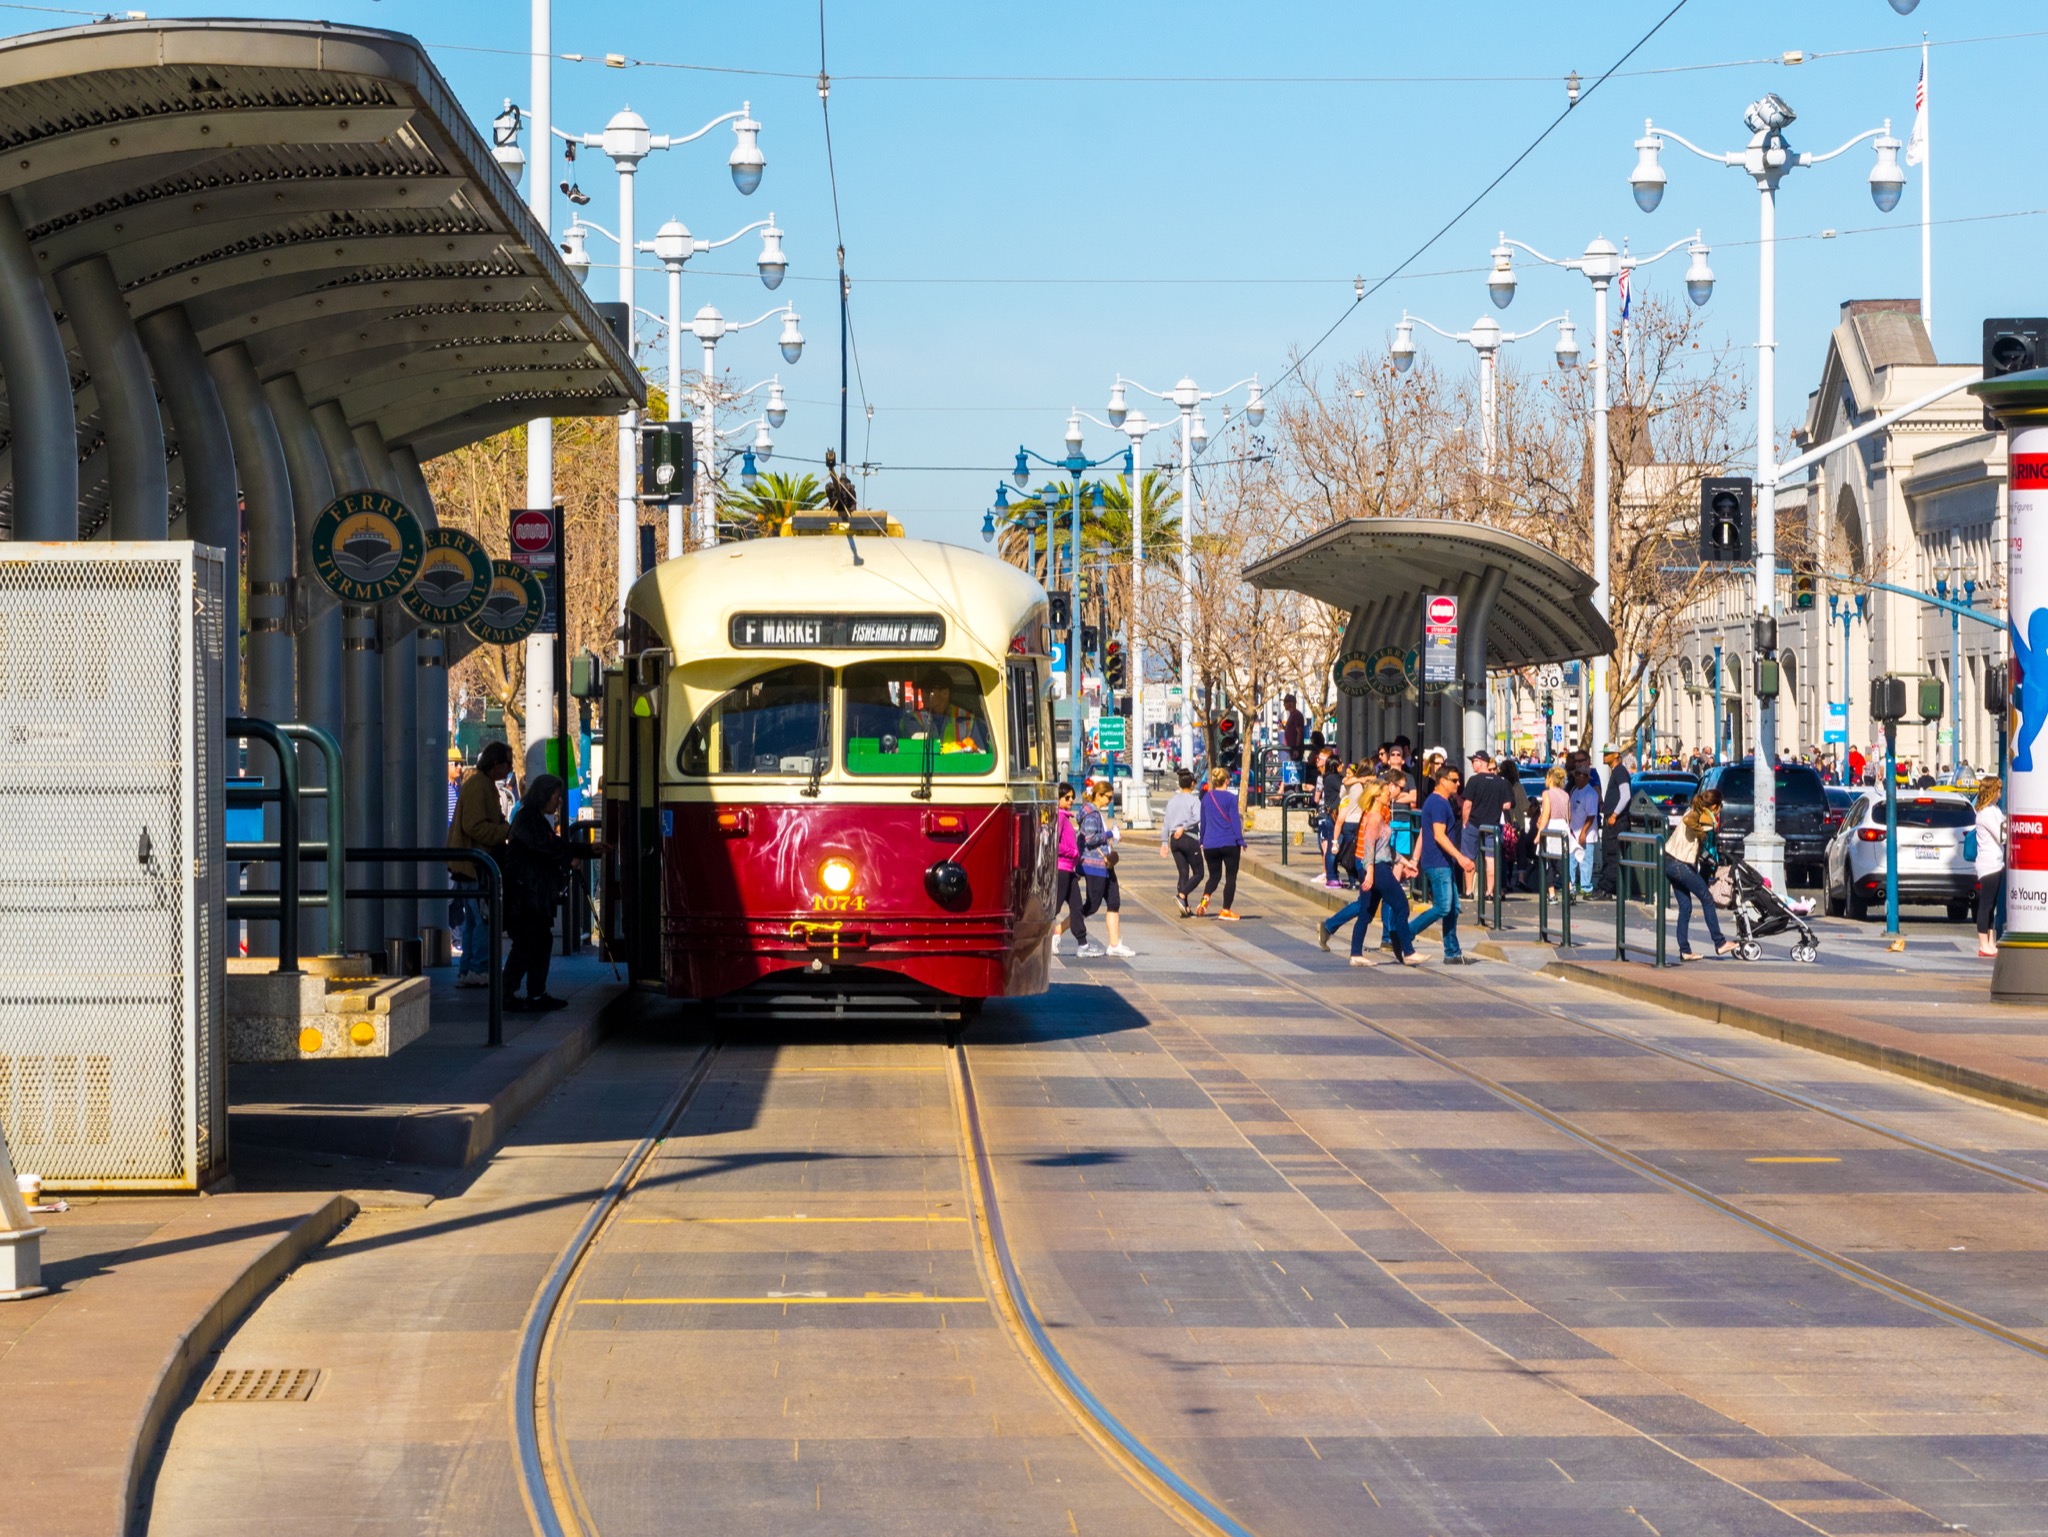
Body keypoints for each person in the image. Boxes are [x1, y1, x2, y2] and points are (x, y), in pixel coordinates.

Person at [1316, 777, 1426, 966]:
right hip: (1377, 867)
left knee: (1366, 911)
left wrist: (1405, 862)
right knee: (1401, 906)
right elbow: (1370, 848)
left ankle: (1356, 953)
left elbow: (1385, 848)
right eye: (1386, 791)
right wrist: (1371, 872)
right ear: (1377, 796)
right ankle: (1407, 951)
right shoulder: (1374, 817)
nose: (1389, 793)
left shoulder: (1378, 814)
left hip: (1377, 865)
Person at [500, 774, 578, 1010]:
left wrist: (584, 850)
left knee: (539, 941)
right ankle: (508, 993)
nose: (559, 803)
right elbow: (544, 847)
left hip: (531, 895)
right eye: (556, 797)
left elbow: (552, 845)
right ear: (544, 796)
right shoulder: (526, 820)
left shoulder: (534, 820)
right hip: (524, 897)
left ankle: (534, 992)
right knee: (527, 942)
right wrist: (570, 856)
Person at [445, 741, 514, 988]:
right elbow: (474, 826)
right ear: (495, 763)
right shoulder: (479, 786)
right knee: (483, 919)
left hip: (469, 864)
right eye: (507, 762)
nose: (510, 767)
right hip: (474, 864)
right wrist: (503, 830)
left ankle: (467, 969)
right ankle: (479, 968)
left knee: (473, 921)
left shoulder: (480, 784)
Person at [1404, 765, 1474, 964]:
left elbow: (1424, 834)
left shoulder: (1436, 802)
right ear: (1442, 781)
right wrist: (1460, 857)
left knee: (1452, 907)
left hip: (1439, 861)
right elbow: (1438, 835)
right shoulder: (1439, 803)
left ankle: (1452, 951)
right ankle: (1406, 932)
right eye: (1454, 780)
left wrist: (1415, 859)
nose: (1458, 783)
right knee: (1443, 907)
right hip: (1439, 862)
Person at [1662, 788, 1734, 961]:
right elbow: (1688, 821)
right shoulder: (1696, 813)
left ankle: (1685, 950)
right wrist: (1701, 833)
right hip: (1680, 864)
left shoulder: (1696, 810)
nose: (1719, 811)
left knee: (1685, 907)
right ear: (1714, 805)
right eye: (1719, 807)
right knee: (1707, 899)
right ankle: (1720, 942)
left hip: (1670, 862)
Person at [1078, 779, 1132, 957]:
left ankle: (1114, 945)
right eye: (1108, 797)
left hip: (1105, 865)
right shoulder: (1092, 814)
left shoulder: (1095, 812)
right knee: (1091, 906)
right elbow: (1090, 839)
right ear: (1099, 795)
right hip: (1094, 865)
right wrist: (1110, 833)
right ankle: (1057, 931)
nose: (1110, 801)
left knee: (1114, 902)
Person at [1460, 751, 1513, 901]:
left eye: (1474, 761)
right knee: (1491, 859)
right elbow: (1507, 804)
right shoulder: (1501, 782)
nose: (1472, 764)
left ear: (1481, 762)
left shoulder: (1474, 781)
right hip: (1493, 826)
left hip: (1474, 824)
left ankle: (1469, 890)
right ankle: (1490, 892)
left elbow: (1467, 804)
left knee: (1469, 857)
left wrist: (1465, 822)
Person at [1196, 766, 1245, 919]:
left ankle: (1205, 899)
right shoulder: (1231, 798)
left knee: (1214, 877)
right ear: (1226, 781)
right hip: (1229, 843)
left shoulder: (1206, 798)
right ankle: (1225, 910)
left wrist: (1202, 840)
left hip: (1210, 845)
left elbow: (1203, 823)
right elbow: (1235, 821)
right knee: (1230, 878)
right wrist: (1240, 840)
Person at [1591, 744, 1635, 898]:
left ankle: (1607, 889)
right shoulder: (1616, 772)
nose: (1604, 756)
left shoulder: (1620, 772)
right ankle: (1610, 888)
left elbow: (1626, 795)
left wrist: (1614, 814)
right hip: (1612, 819)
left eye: (1608, 753)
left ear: (1616, 755)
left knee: (1612, 854)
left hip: (1616, 822)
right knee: (1610, 854)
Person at [1159, 769, 1204, 915]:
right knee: (1199, 873)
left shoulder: (1172, 801)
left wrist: (1164, 842)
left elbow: (1166, 823)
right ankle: (1182, 895)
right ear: (1192, 784)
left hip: (1174, 841)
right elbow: (1198, 817)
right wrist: (1183, 828)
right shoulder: (1193, 800)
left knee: (1183, 873)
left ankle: (1185, 907)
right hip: (1188, 838)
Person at [1051, 782, 1088, 955]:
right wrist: (1073, 852)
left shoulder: (1064, 817)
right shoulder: (1058, 817)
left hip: (1069, 869)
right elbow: (1053, 845)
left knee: (1077, 906)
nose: (1071, 800)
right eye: (1067, 797)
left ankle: (1083, 944)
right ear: (1058, 799)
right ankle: (1047, 937)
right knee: (1055, 907)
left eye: (1073, 797)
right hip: (1061, 869)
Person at [1974, 777, 2007, 959]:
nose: (2000, 794)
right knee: (1985, 905)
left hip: (1996, 861)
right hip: (1988, 864)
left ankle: (1990, 942)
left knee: (1992, 905)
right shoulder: (1986, 813)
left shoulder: (1994, 810)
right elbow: (2001, 835)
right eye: (1998, 790)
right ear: (1991, 791)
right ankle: (1983, 944)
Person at [1536, 764, 1572, 900]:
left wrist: (1539, 833)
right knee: (1562, 862)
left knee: (1548, 862)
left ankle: (1551, 894)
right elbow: (1569, 816)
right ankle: (1569, 889)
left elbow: (1546, 814)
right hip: (1563, 827)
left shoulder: (1547, 794)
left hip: (1551, 827)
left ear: (1550, 778)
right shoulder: (1566, 795)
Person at [1566, 761, 1600, 895]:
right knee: (1571, 861)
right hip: (1573, 833)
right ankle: (1571, 885)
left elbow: (1591, 816)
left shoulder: (1591, 794)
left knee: (1585, 862)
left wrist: (1583, 832)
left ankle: (1586, 887)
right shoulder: (1574, 790)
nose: (1578, 777)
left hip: (1586, 834)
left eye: (1582, 775)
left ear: (1587, 777)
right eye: (1577, 774)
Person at [1316, 747, 1346, 887]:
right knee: (1332, 845)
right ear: (1336, 765)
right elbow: (1345, 788)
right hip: (1333, 816)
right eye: (1341, 763)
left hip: (1331, 815)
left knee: (1331, 845)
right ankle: (1331, 876)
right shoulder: (1333, 779)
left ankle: (1332, 875)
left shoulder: (1328, 778)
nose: (1343, 766)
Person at [1282, 693, 1306, 762]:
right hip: (1291, 749)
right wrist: (1284, 728)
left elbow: (1299, 732)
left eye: (1285, 702)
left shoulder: (1296, 715)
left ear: (1292, 703)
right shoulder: (1292, 715)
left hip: (1295, 750)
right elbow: (1292, 730)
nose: (1284, 705)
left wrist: (1297, 749)